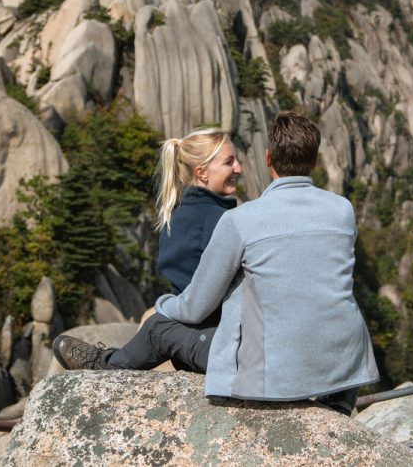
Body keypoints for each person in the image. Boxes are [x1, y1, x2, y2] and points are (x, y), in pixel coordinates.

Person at [53, 112, 378, 414]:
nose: (237, 168)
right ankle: (334, 409)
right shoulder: (343, 211)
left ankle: (103, 367)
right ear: (316, 161)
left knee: (158, 327)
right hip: (343, 370)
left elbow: (194, 309)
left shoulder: (239, 221)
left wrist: (164, 304)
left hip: (273, 371)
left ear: (267, 160)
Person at [155, 128, 243, 296]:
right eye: (229, 162)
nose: (238, 168)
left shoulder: (175, 217)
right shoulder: (218, 220)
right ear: (202, 173)